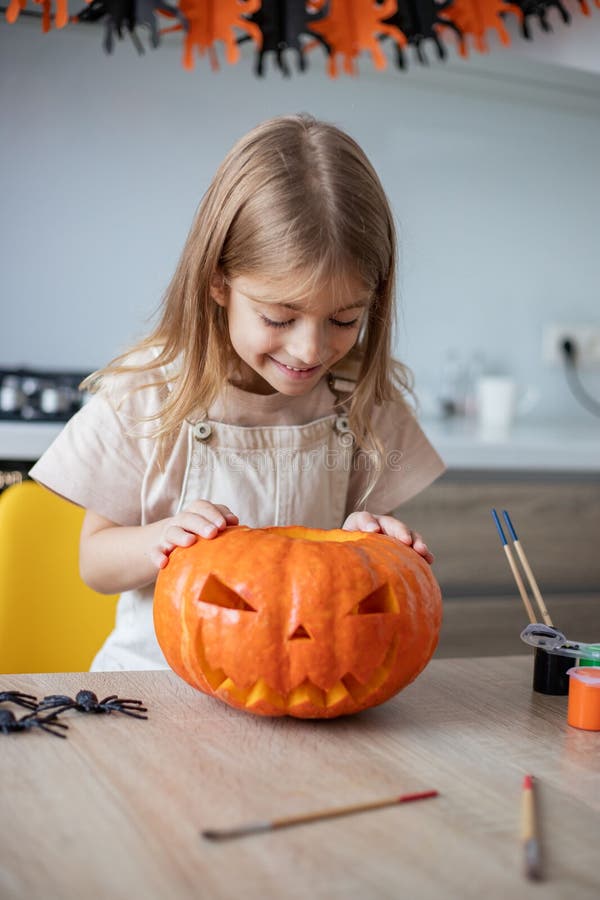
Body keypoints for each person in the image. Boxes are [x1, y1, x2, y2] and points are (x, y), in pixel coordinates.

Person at [30, 114, 445, 671]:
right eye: (279, 317)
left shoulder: (361, 396)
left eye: (344, 319)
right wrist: (159, 539)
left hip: (304, 678)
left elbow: (368, 554)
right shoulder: (147, 394)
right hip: (155, 687)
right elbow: (95, 565)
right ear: (218, 281)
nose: (310, 349)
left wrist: (379, 541)